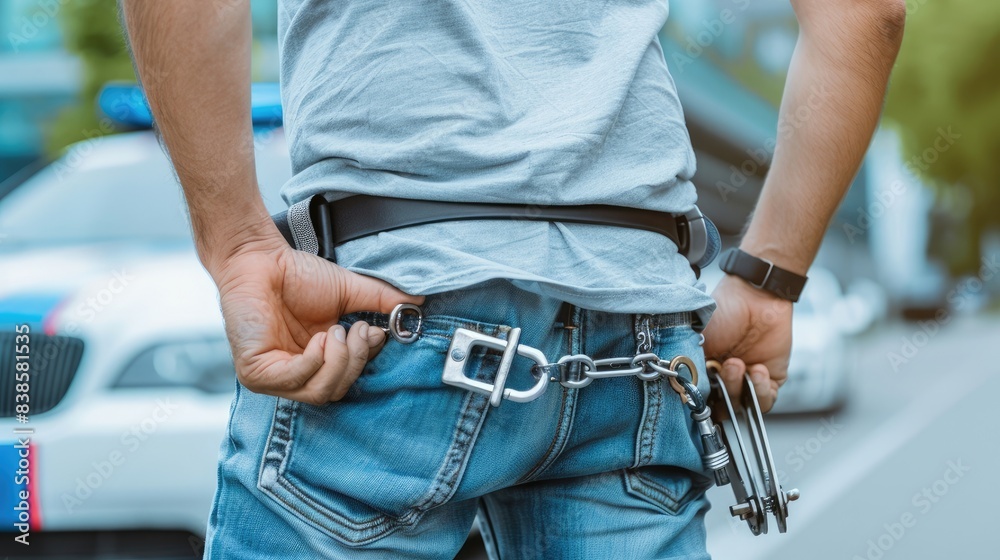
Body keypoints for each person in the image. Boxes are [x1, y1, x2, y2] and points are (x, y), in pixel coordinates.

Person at [121, 1, 904, 557]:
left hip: (391, 301)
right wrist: (767, 280)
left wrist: (238, 245)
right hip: (638, 330)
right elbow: (866, 16)